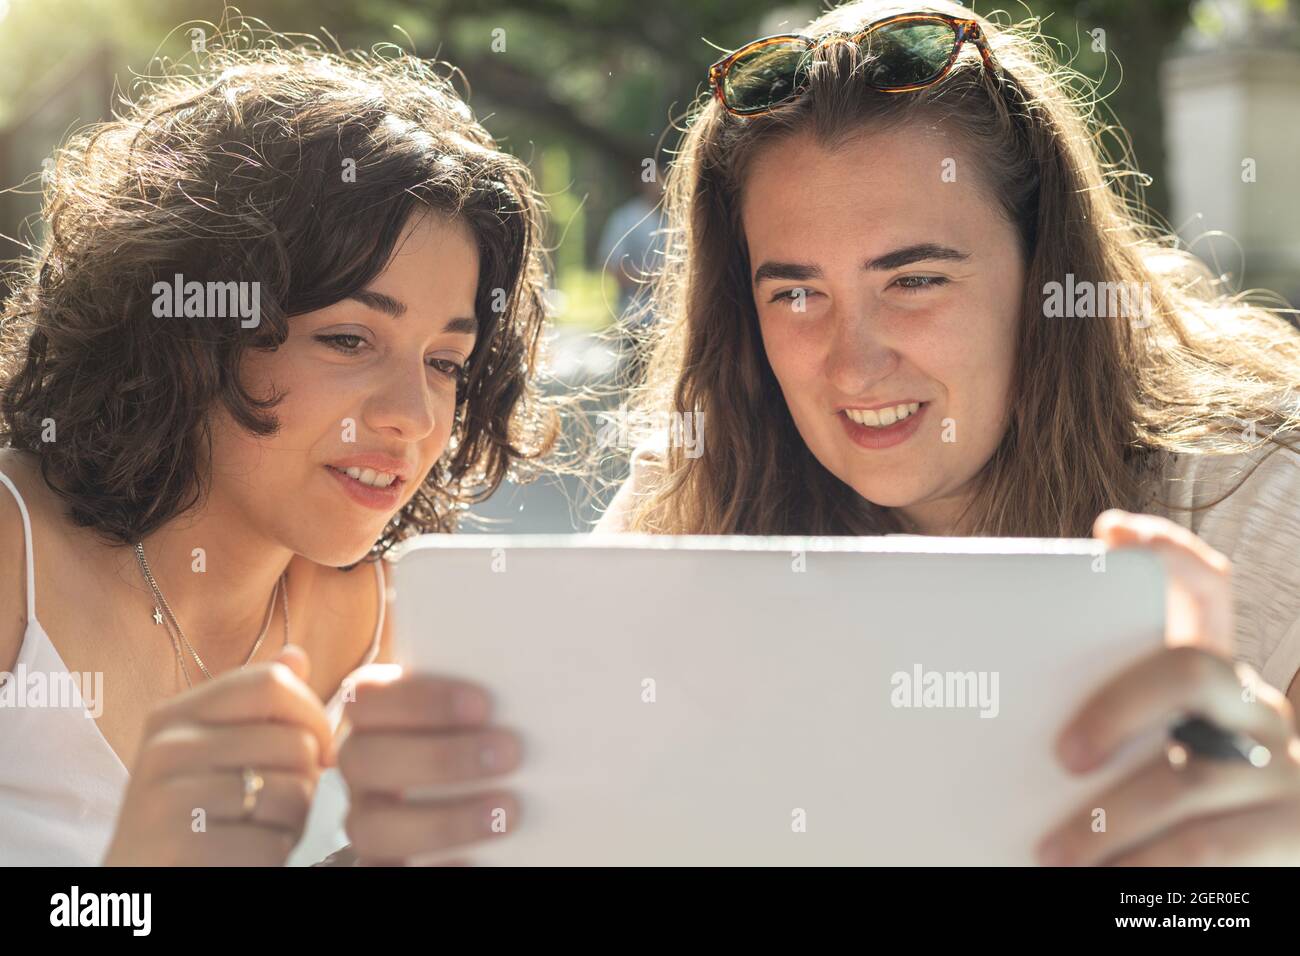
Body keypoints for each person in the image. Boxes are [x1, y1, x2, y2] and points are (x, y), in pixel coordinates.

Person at [595, 0, 1300, 864]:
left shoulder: (1258, 517)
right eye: (796, 293)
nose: (853, 367)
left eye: (915, 280)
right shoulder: (698, 489)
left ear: (1047, 270)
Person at [0, 34, 545, 865]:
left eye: (444, 363)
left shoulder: (388, 624)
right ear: (193, 332)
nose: (412, 417)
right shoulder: (15, 560)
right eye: (349, 339)